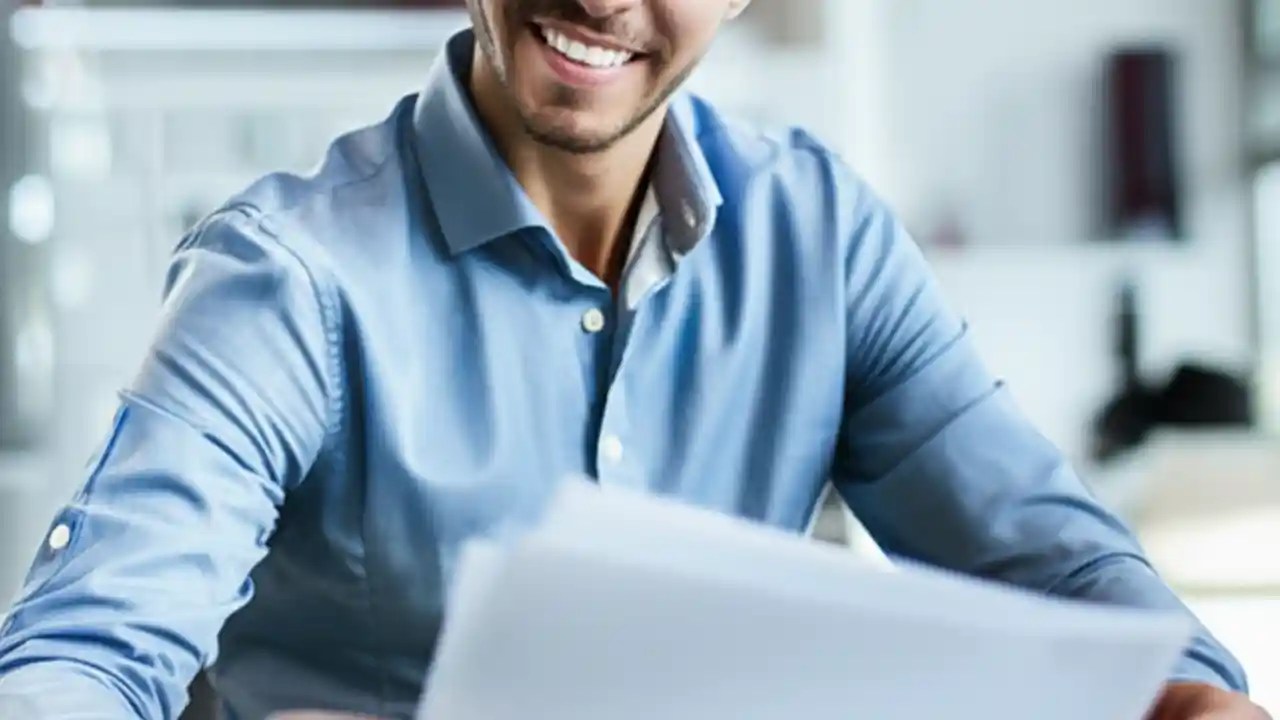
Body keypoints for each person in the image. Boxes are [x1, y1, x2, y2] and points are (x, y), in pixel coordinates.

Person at [0, 0, 1269, 718]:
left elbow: (1053, 565)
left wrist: (1191, 692)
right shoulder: (288, 277)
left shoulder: (818, 239)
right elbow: (86, 658)